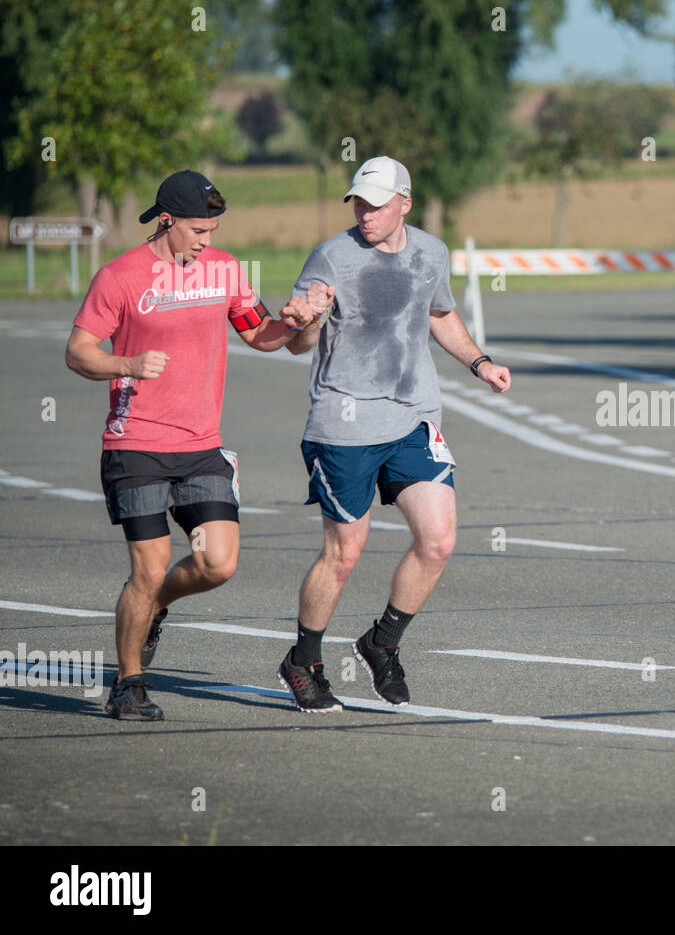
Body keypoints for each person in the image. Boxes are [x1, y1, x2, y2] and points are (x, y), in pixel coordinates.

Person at [66, 170, 321, 721]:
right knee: (149, 568)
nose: (206, 239)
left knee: (217, 563)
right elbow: (79, 350)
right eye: (198, 229)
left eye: (213, 229)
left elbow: (263, 335)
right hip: (136, 445)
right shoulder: (120, 277)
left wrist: (305, 325)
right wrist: (126, 364)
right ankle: (129, 684)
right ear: (167, 221)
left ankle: (153, 608)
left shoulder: (226, 270)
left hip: (202, 445)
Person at [279, 156, 510, 712]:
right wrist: (306, 320)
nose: (364, 214)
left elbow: (438, 313)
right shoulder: (332, 257)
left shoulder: (431, 252)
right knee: (345, 553)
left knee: (439, 540)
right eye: (358, 202)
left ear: (403, 203)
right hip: (344, 423)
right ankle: (302, 660)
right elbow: (297, 343)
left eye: (376, 204)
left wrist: (478, 362)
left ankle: (382, 642)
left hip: (414, 417)